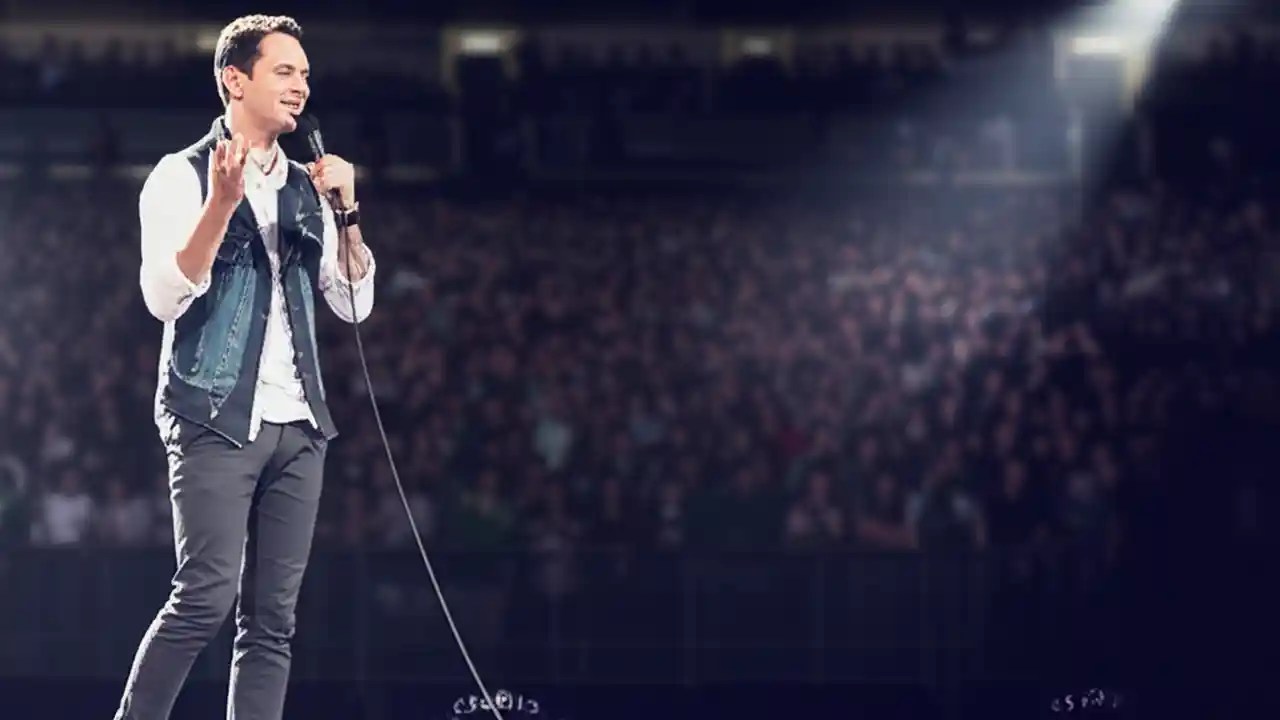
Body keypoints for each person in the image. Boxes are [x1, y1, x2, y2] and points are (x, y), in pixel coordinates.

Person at [115, 15, 376, 720]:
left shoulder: (305, 186)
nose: (301, 86)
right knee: (204, 596)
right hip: (214, 414)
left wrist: (346, 213)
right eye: (285, 71)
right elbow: (164, 296)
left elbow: (351, 303)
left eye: (306, 75)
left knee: (272, 623)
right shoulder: (180, 175)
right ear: (236, 79)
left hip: (300, 424)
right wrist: (220, 206)